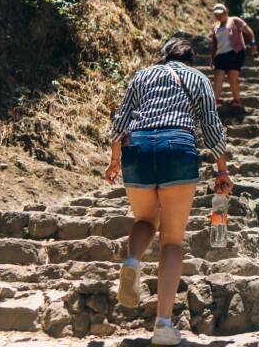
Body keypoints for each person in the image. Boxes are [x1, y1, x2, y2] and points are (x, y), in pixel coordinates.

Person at [104, 38, 233, 346]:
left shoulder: (142, 75)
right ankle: (162, 324)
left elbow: (120, 120)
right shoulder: (198, 78)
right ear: (192, 60)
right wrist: (222, 169)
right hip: (178, 147)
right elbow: (210, 125)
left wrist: (114, 161)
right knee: (172, 240)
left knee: (146, 221)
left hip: (138, 148)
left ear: (162, 57)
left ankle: (133, 261)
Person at [209, 3, 256, 109]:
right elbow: (215, 44)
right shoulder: (215, 26)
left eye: (221, 13)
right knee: (218, 76)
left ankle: (237, 100)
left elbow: (249, 31)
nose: (219, 16)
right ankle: (215, 100)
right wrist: (212, 58)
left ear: (226, 12)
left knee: (232, 76)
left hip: (235, 52)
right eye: (216, 15)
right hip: (220, 54)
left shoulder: (235, 20)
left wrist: (253, 43)